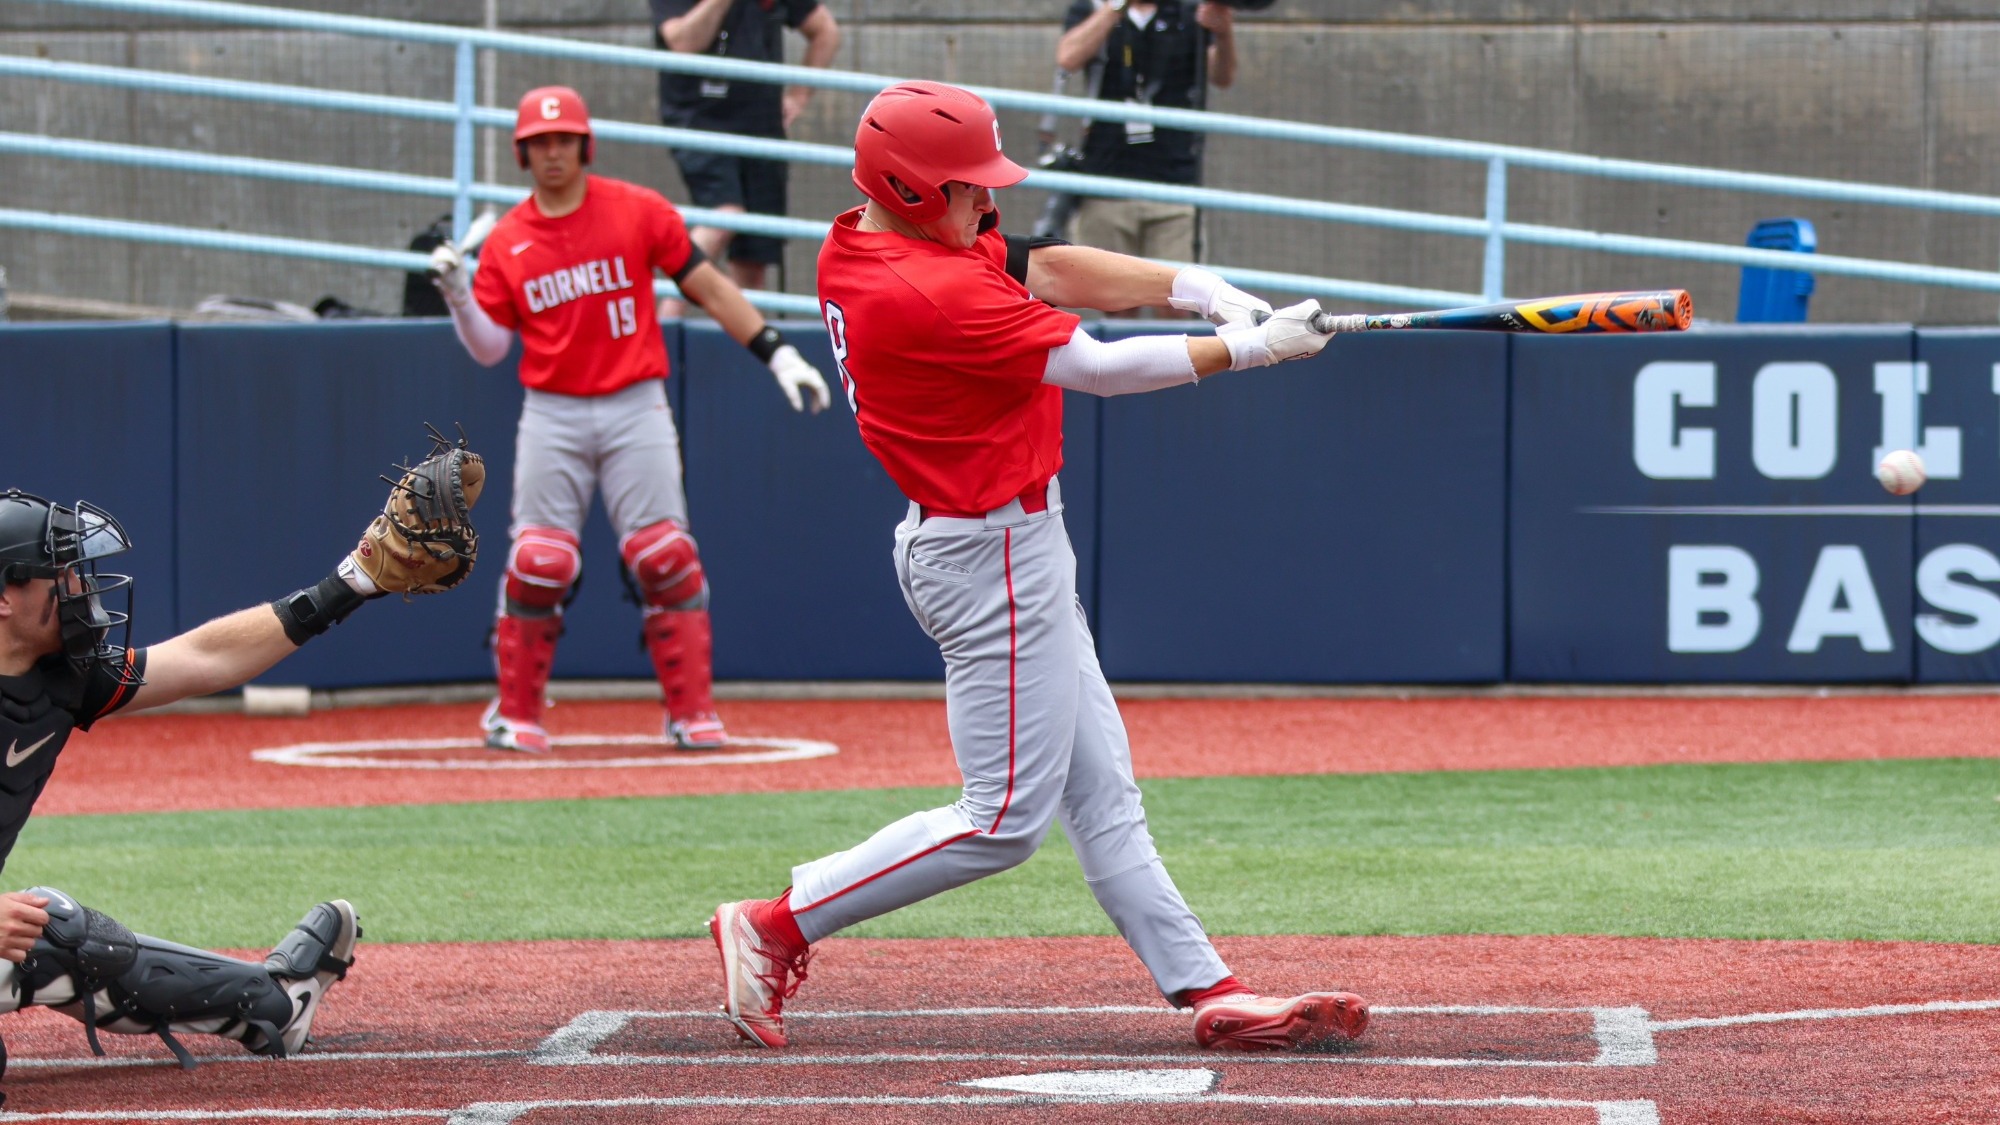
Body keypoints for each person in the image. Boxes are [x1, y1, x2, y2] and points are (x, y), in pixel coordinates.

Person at [706, 81, 1366, 1054]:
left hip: (999, 543)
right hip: (988, 557)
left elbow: (1049, 265)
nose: (988, 201)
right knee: (1004, 820)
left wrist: (1198, 289)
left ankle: (1206, 988)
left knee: (1100, 791)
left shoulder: (865, 233)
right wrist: (1250, 347)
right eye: (970, 186)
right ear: (916, 188)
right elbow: (1097, 368)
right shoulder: (929, 290)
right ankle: (775, 924)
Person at [0, 446, 478, 1091]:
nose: (84, 585)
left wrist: (353, 583)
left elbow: (203, 659)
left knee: (61, 936)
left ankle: (276, 1004)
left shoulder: (55, 678)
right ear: (5, 599)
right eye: (61, 574)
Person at [427, 85, 831, 754]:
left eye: (563, 140)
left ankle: (691, 711)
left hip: (634, 399)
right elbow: (492, 347)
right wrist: (458, 296)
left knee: (665, 554)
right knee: (540, 560)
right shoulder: (508, 239)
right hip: (553, 409)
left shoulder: (636, 210)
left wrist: (777, 350)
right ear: (522, 153)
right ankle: (516, 711)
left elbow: (706, 282)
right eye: (539, 142)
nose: (552, 152)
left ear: (584, 145)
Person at [651, 0, 843, 319]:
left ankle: (754, 348)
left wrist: (799, 95)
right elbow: (683, 41)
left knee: (754, 259)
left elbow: (826, 31)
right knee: (725, 214)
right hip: (700, 119)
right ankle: (662, 326)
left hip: (760, 125)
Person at [1054, 0, 1236, 266]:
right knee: (1115, 299)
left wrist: (1223, 32)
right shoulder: (1092, 7)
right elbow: (1067, 58)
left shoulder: (1186, 12)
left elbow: (1222, 76)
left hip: (1173, 181)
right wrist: (1115, 7)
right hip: (1106, 179)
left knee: (1178, 296)